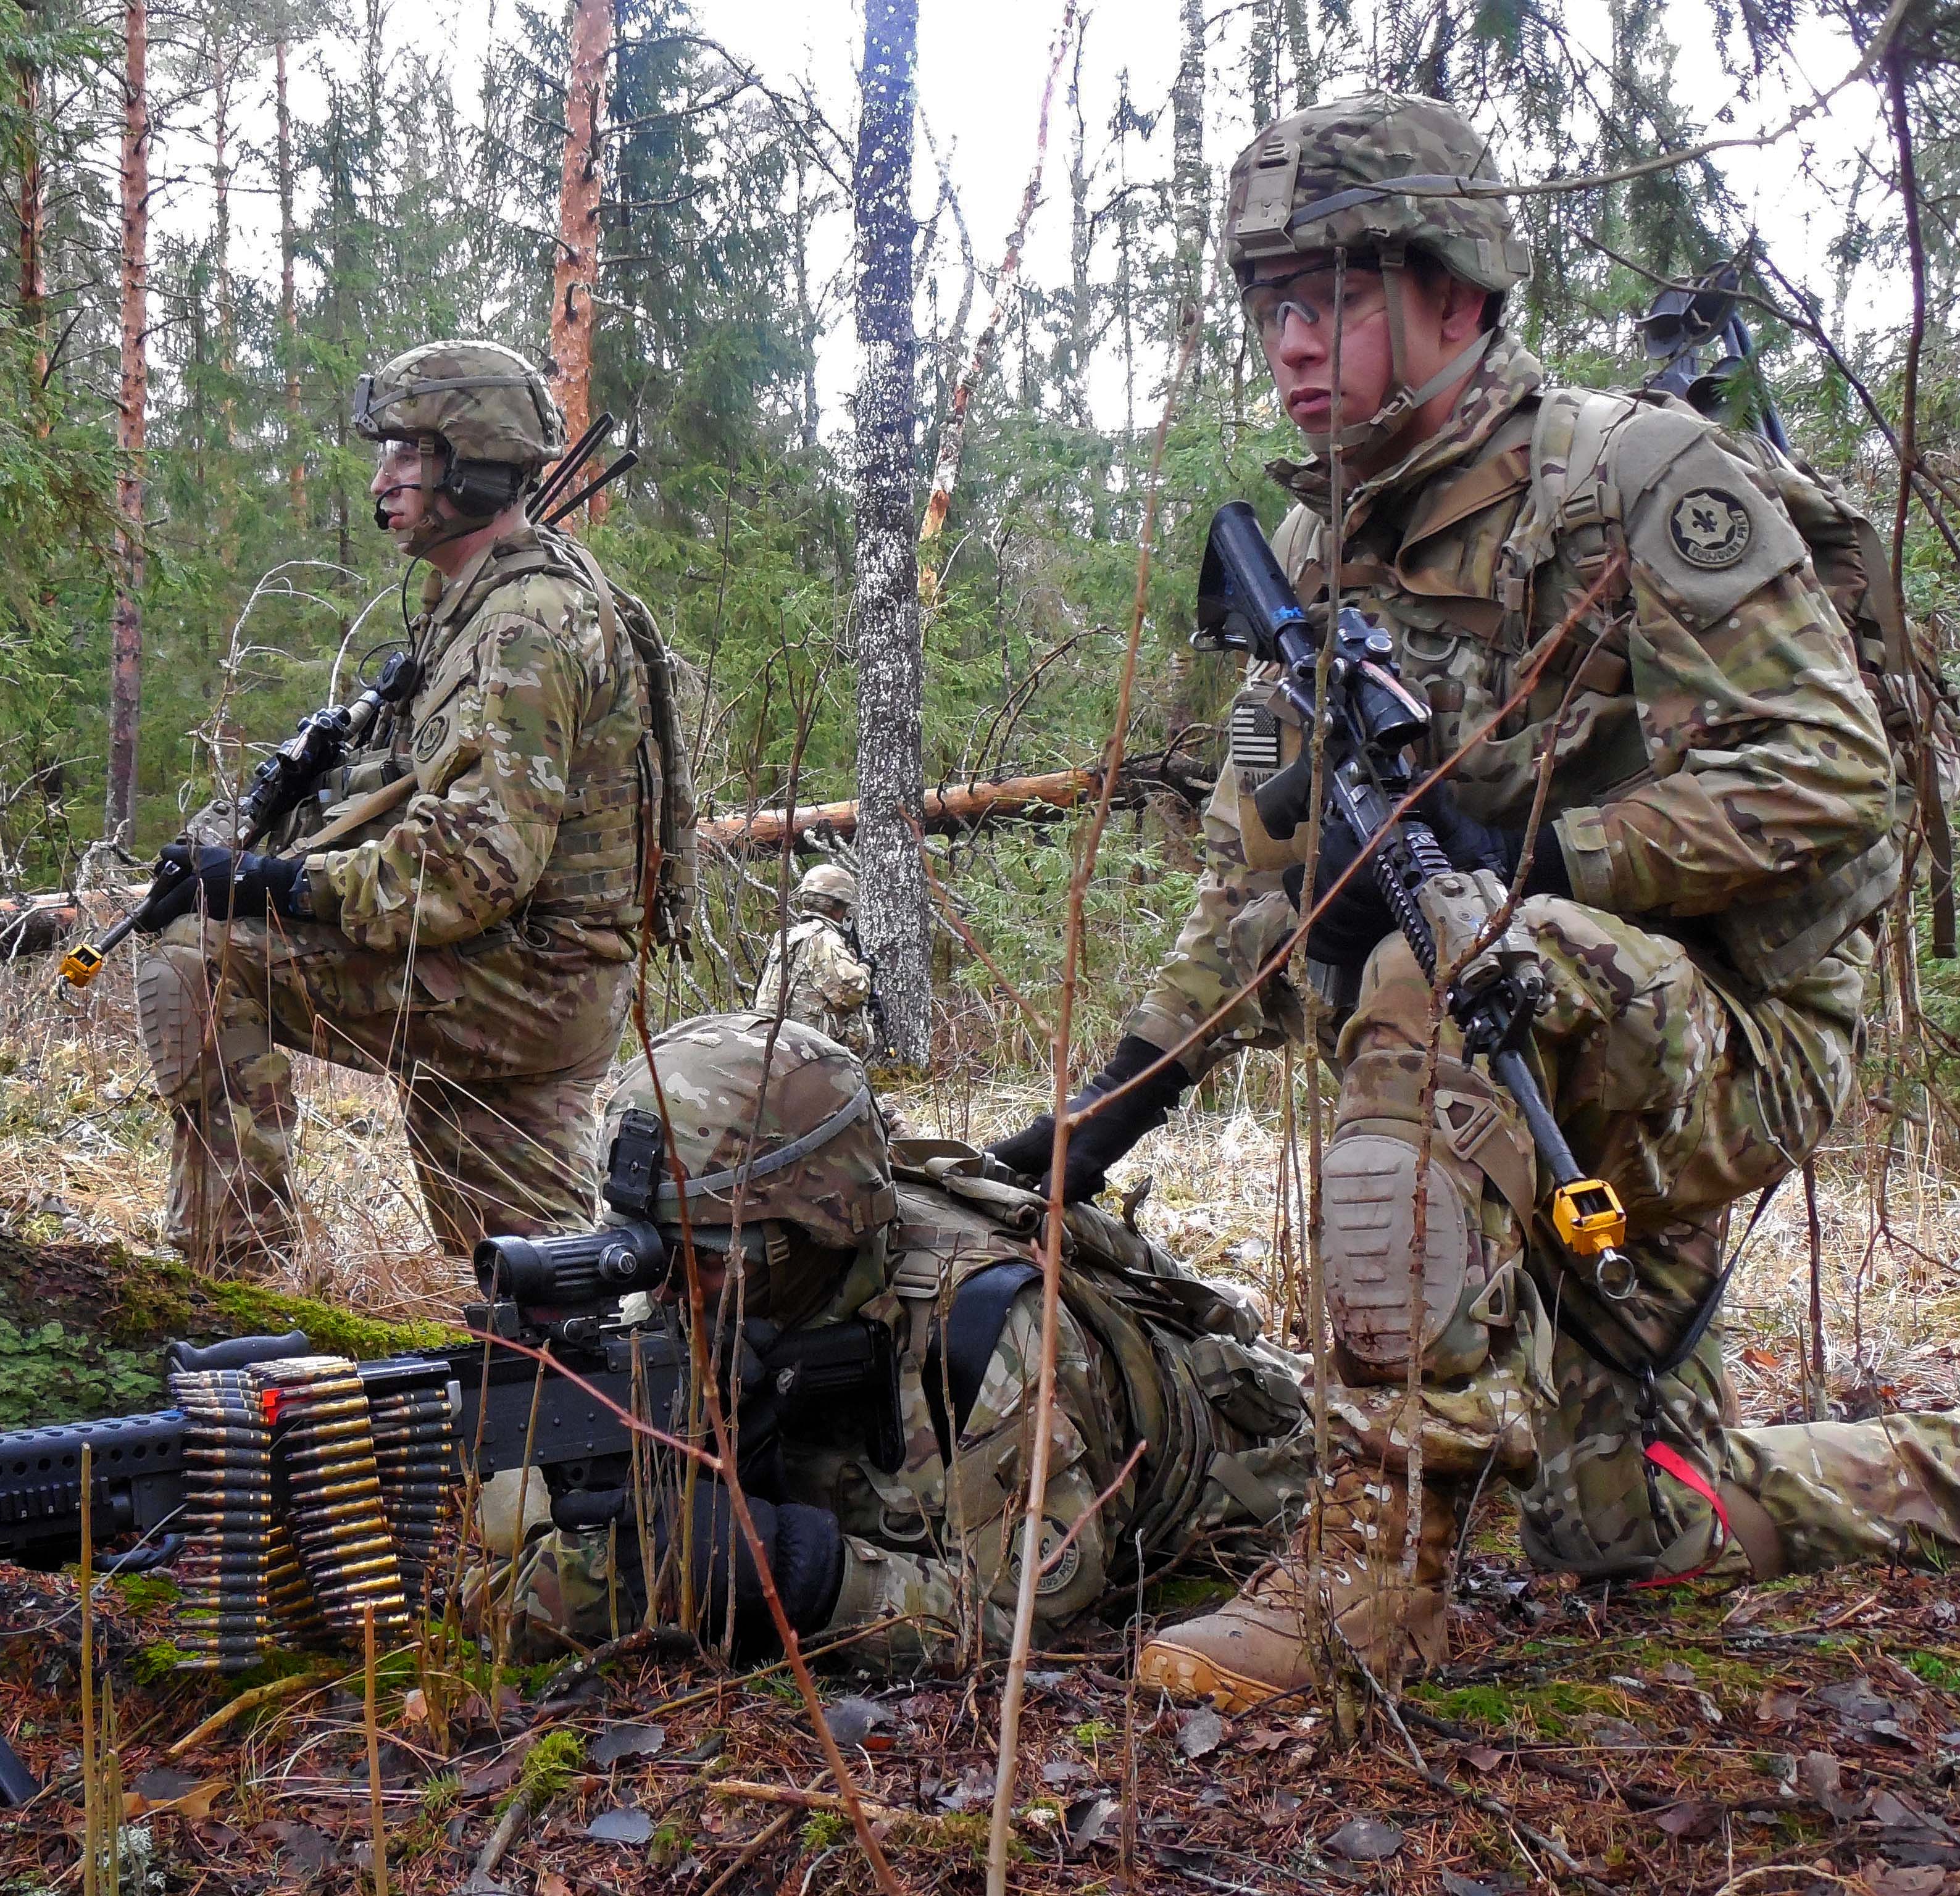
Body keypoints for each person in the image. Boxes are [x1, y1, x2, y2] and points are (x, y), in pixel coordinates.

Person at [978, 93, 1960, 1711]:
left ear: (1462, 299)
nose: (1291, 340)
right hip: (1545, 1047)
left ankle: (1365, 1586)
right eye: (1273, 302)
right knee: (1611, 1521)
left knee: (1441, 953)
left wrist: (1543, 861)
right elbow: (1248, 863)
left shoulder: (1643, 482)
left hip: (1723, 1040)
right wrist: (1116, 1103)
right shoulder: (1306, 555)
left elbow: (1831, 774)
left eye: (1336, 297)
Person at [483, 1012, 1311, 1663]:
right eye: (644, 1248)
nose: (662, 1286)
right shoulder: (686, 1296)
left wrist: (795, 1570)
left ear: (820, 1222)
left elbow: (1026, 1613)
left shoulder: (989, 1324)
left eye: (701, 1254)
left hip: (1251, 1461)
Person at [134, 339, 672, 1262]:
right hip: (549, 978)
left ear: (472, 465)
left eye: (407, 455)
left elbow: (474, 864)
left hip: (522, 978)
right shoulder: (489, 600)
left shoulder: (519, 628)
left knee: (199, 957)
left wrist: (274, 886)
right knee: (530, 1294)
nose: (382, 479)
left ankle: (234, 1281)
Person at [750, 863, 878, 1057]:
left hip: (776, 1042)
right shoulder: (825, 938)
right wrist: (865, 968)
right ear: (836, 905)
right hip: (809, 1052)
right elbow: (851, 992)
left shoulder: (785, 936)